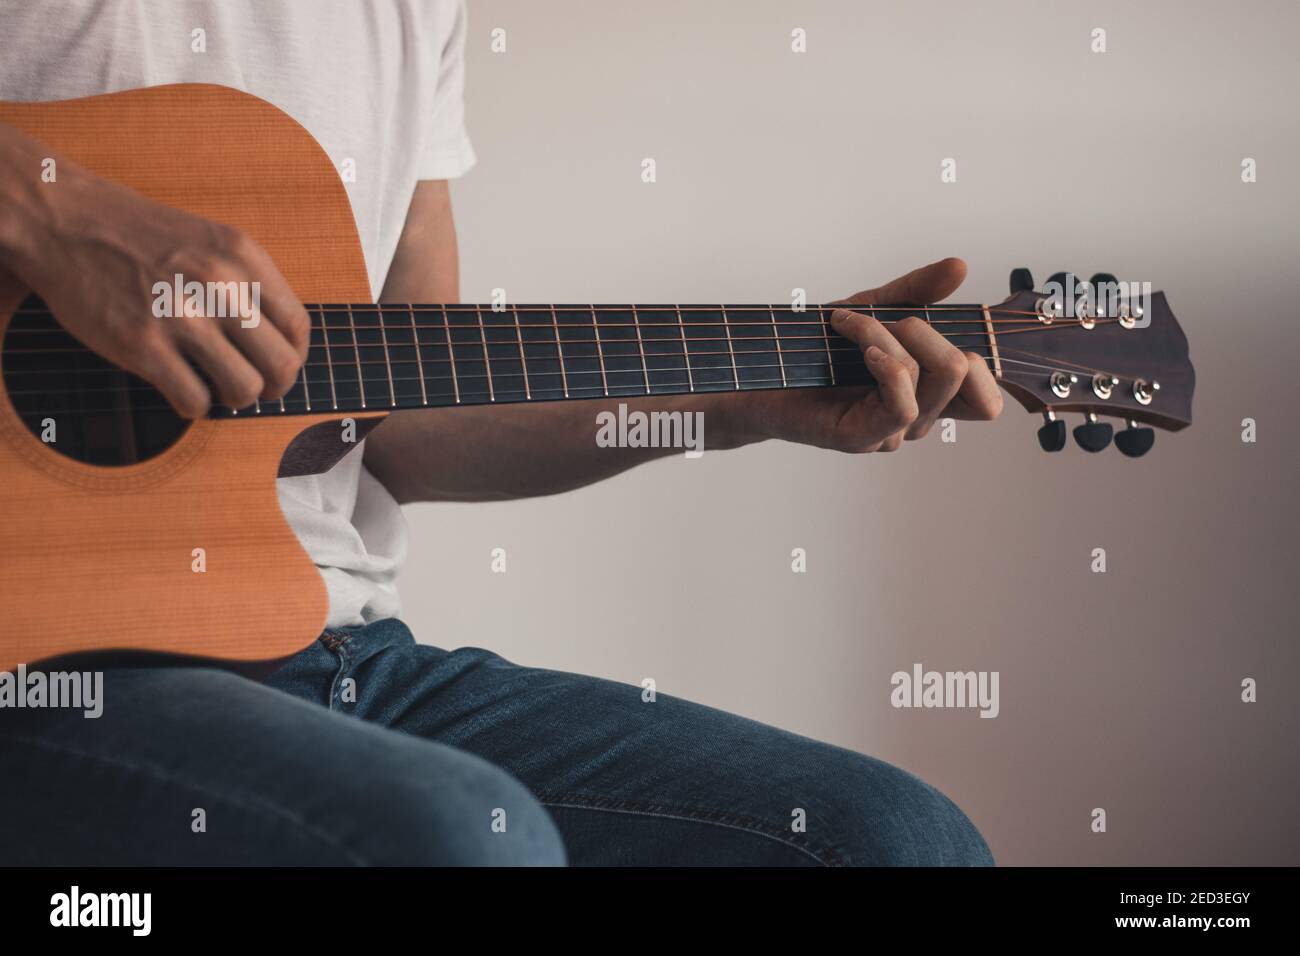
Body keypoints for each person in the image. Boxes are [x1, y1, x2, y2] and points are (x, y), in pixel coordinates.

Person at [0, 0, 1001, 865]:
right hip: (46, 672)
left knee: (892, 836)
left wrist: (747, 402)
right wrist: (50, 212)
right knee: (463, 839)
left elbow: (404, 421)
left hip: (338, 656)